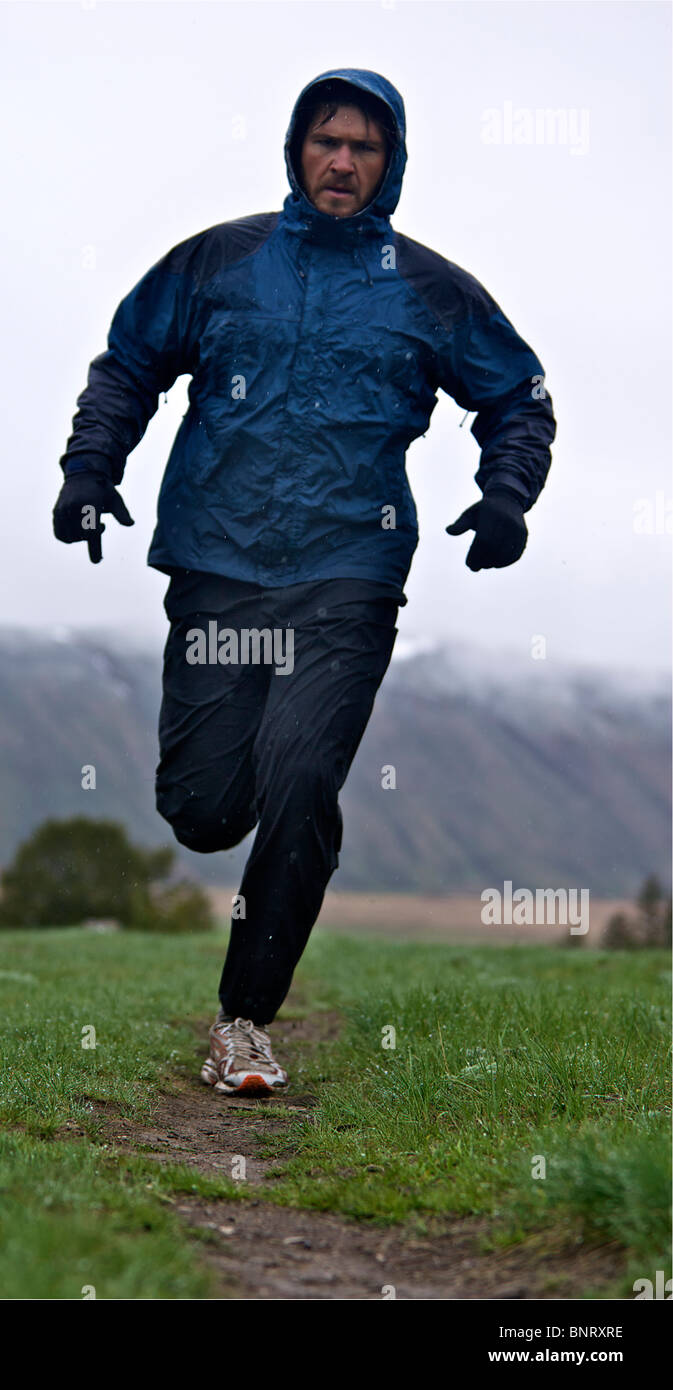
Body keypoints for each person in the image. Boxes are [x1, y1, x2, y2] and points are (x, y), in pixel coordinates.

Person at [52, 68, 556, 1095]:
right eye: (325, 141)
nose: (341, 160)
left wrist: (506, 495)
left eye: (363, 147)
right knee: (202, 808)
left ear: (391, 163)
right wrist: (87, 471)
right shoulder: (220, 262)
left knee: (300, 777)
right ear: (295, 149)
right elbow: (126, 367)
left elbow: (520, 397)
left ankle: (244, 1019)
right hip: (217, 568)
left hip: (347, 575)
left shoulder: (428, 289)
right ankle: (260, 828)